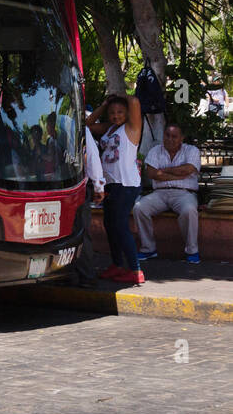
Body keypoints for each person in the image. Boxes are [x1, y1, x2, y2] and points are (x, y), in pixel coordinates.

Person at [87, 93, 145, 284]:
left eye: (120, 112)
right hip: (111, 184)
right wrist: (104, 105)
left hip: (126, 184)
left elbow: (135, 101)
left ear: (128, 113)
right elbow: (86, 126)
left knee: (120, 226)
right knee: (110, 226)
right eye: (112, 113)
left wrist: (118, 95)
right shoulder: (109, 128)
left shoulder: (132, 128)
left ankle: (135, 270)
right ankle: (117, 264)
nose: (116, 115)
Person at [134, 122, 201, 264]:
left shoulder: (192, 150)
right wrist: (177, 174)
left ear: (182, 138)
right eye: (167, 135)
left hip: (184, 193)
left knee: (189, 210)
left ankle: (192, 251)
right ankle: (148, 249)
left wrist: (163, 170)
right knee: (139, 207)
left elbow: (187, 169)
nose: (170, 139)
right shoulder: (155, 150)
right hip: (160, 194)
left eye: (174, 136)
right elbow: (152, 173)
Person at [70, 118, 108, 287]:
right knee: (76, 232)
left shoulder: (77, 126)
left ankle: (86, 275)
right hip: (69, 188)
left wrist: (99, 185)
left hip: (76, 188)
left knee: (79, 232)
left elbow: (91, 156)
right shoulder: (73, 123)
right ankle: (75, 274)